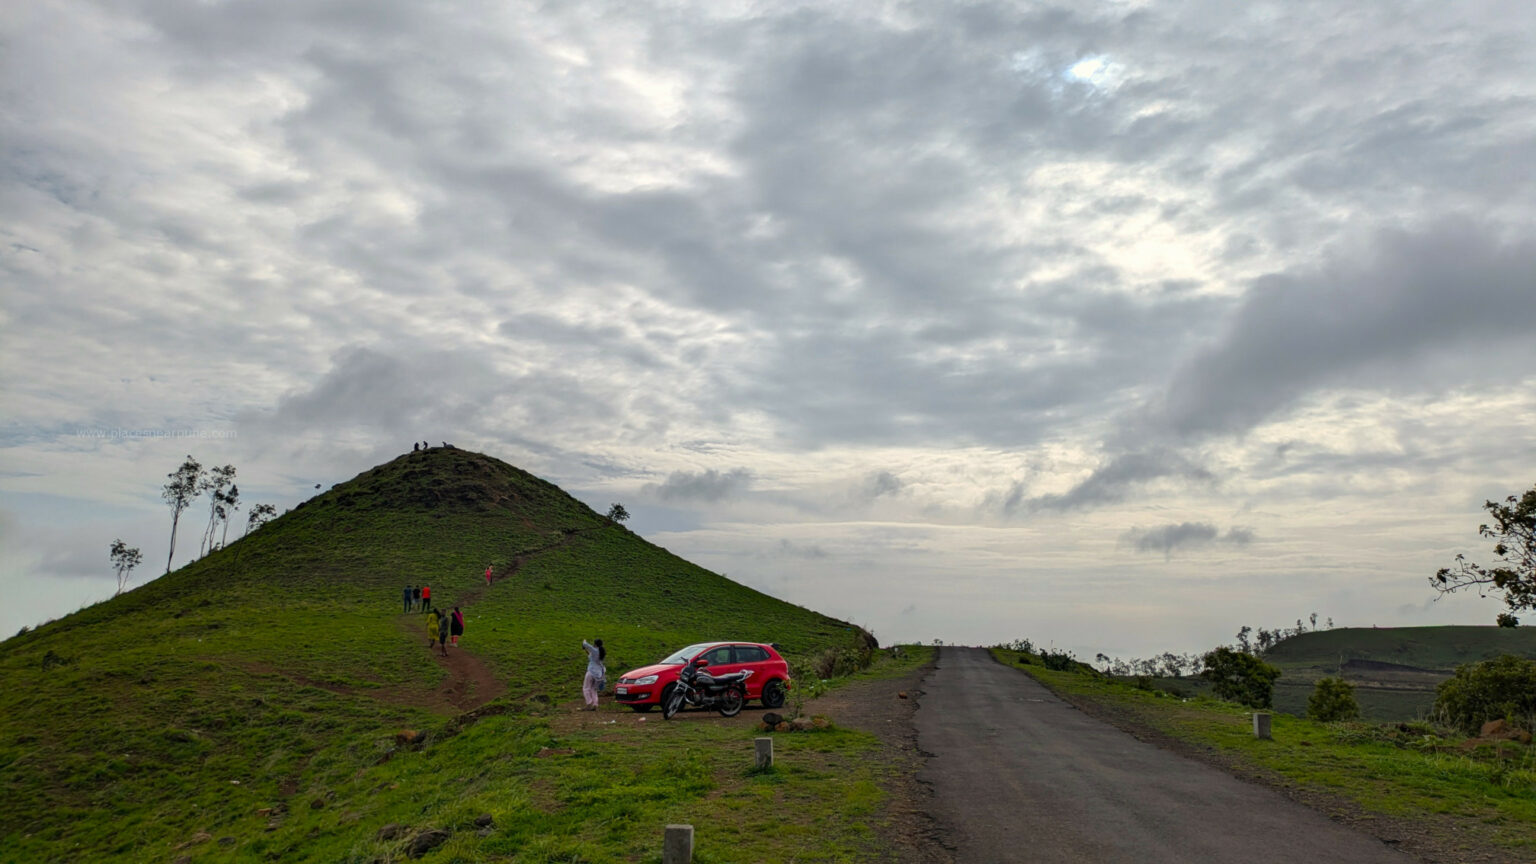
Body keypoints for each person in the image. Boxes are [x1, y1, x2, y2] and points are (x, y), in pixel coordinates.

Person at [582, 638, 606, 711]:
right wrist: (585, 650)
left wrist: (584, 641)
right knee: (593, 689)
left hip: (591, 672)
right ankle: (595, 704)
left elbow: (586, 645)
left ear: (595, 644)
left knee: (586, 688)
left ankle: (589, 703)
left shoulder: (595, 650)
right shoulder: (601, 652)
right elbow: (591, 655)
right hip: (598, 674)